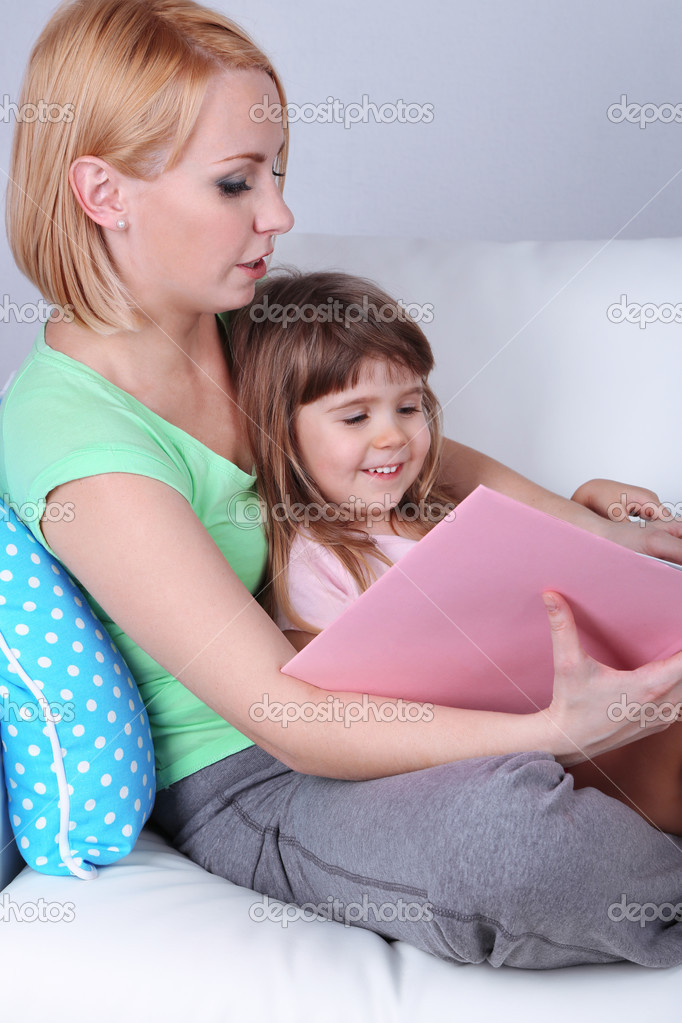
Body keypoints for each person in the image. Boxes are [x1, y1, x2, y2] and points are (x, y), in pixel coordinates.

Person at [2, 0, 682, 969]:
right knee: (520, 846)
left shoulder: (242, 320)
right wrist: (542, 728)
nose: (277, 215)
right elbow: (289, 717)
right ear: (104, 194)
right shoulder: (70, 437)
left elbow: (413, 449)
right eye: (236, 183)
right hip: (262, 769)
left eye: (277, 175)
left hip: (401, 676)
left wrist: (581, 527)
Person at [230, 267, 682, 835]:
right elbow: (351, 717)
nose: (393, 435)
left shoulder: (446, 507)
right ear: (281, 430)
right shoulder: (317, 564)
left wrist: (590, 510)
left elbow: (538, 595)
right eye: (355, 416)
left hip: (602, 710)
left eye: (409, 407)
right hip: (532, 756)